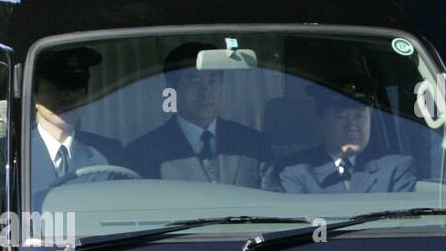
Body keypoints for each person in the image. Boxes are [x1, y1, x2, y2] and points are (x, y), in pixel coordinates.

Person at [125, 42, 280, 189]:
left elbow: (275, 206)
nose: (205, 92)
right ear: (172, 89)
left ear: (222, 84)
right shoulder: (143, 152)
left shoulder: (253, 143)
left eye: (212, 81)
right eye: (195, 82)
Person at [278, 83, 416, 193]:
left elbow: (400, 224)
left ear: (370, 119)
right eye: (341, 117)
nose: (352, 125)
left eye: (360, 116)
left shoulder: (395, 167)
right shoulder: (296, 170)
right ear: (321, 122)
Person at [30, 46, 125, 198]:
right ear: (35, 95)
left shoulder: (109, 152)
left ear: (85, 96)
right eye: (56, 89)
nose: (66, 98)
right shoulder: (13, 152)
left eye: (75, 89)